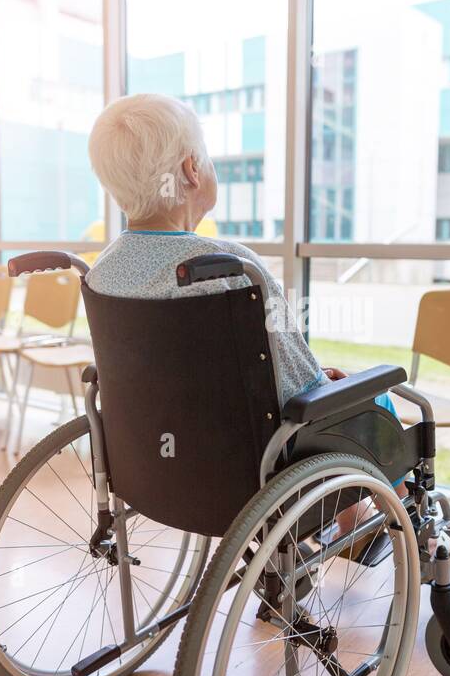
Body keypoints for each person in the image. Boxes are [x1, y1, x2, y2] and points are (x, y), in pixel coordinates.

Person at [84, 93, 405, 533]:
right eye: (207, 158)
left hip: (164, 460)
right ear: (191, 171)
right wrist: (325, 379)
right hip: (258, 468)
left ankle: (352, 523)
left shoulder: (103, 271)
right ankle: (407, 535)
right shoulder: (230, 268)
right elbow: (298, 381)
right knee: (374, 398)